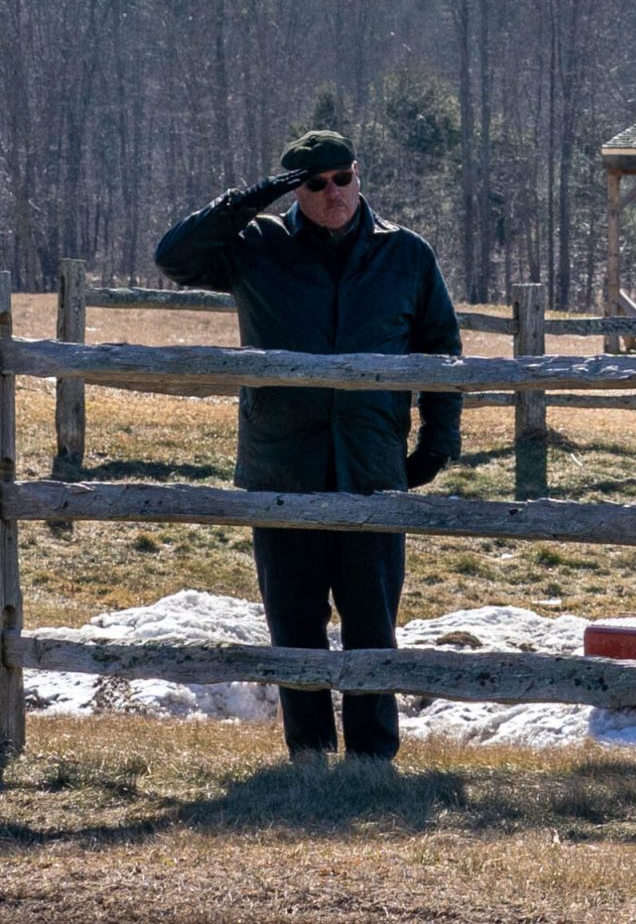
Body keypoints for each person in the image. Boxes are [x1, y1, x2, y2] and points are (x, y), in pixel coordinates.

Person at [155, 130, 461, 762]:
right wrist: (251, 199)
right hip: (281, 465)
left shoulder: (404, 253)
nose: (333, 195)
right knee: (295, 622)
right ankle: (310, 756)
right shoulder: (256, 246)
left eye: (342, 179)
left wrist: (438, 440)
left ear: (358, 175)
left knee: (371, 622)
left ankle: (374, 758)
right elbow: (175, 257)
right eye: (315, 185)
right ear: (296, 189)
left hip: (371, 464)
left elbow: (442, 348)